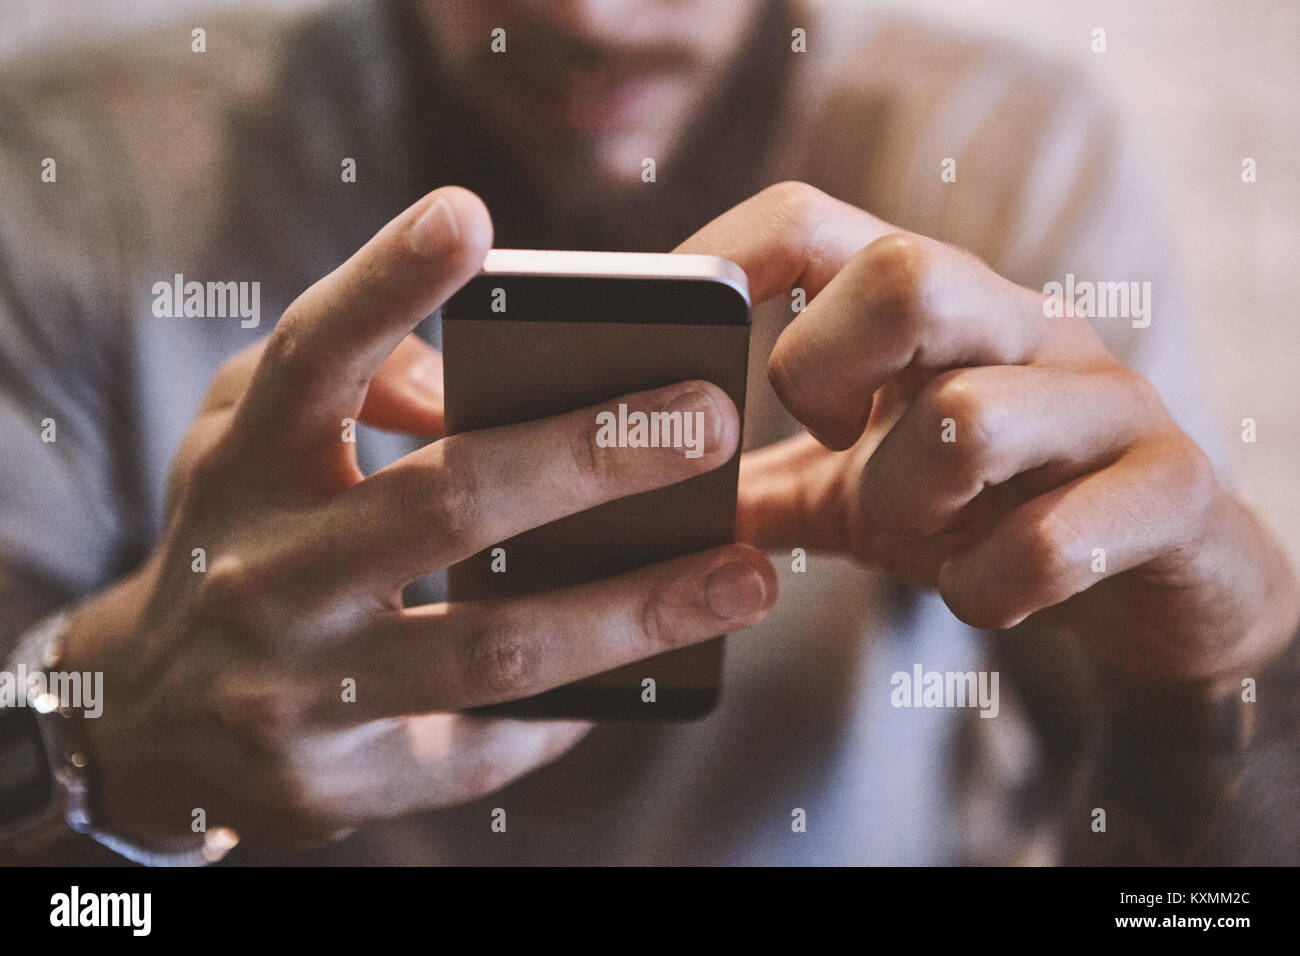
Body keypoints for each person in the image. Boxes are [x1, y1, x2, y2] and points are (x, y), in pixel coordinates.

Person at [1, 0, 1296, 866]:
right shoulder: (79, 174)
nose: (591, 20)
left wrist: (1219, 678)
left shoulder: (1008, 156)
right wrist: (100, 739)